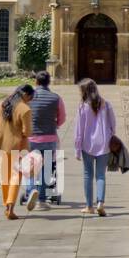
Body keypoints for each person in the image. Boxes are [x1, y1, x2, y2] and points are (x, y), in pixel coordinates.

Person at [23, 71, 65, 211]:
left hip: (32, 137)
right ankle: (41, 200)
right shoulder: (56, 98)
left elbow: (22, 114)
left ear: (36, 82)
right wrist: (56, 124)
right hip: (49, 137)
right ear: (49, 82)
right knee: (46, 169)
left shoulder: (29, 98)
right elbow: (62, 118)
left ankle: (30, 191)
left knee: (31, 167)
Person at [74, 79, 116, 217]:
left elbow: (78, 130)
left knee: (87, 175)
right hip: (104, 144)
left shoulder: (82, 107)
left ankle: (89, 206)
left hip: (87, 144)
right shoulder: (106, 104)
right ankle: (100, 203)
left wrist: (77, 148)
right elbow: (113, 124)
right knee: (100, 175)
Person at [0, 85, 35, 221]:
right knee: (16, 176)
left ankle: (6, 205)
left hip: (3, 144)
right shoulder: (25, 109)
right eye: (31, 98)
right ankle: (10, 206)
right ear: (26, 95)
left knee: (5, 176)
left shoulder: (2, 104)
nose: (31, 100)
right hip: (18, 146)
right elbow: (27, 132)